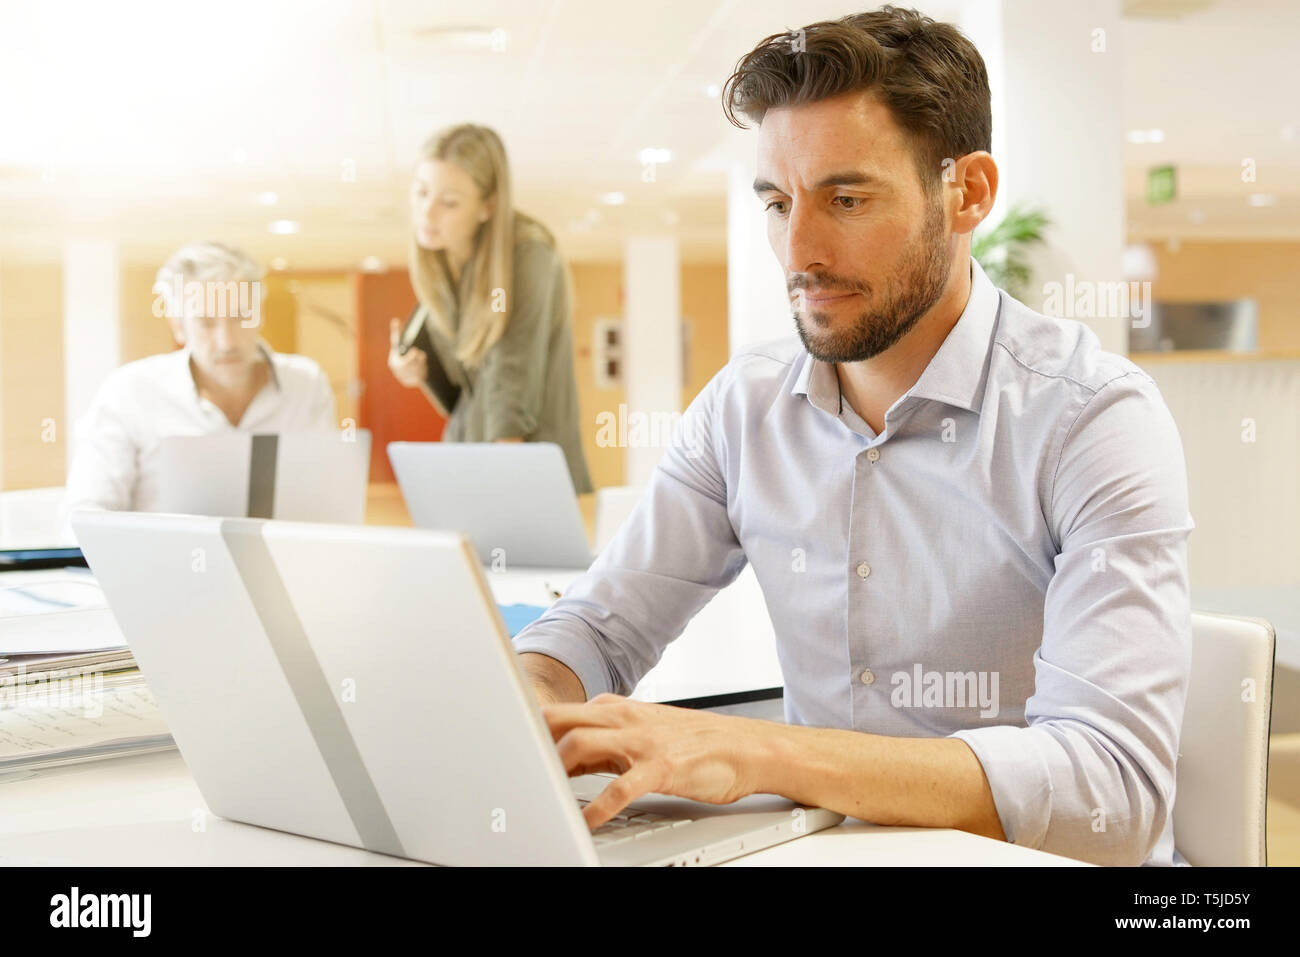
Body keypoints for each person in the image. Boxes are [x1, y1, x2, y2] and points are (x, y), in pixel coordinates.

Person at [512, 6, 1194, 868]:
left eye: (845, 198)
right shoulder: (741, 409)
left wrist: (761, 754)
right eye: (776, 201)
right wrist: (533, 698)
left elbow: (1113, 796)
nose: (798, 250)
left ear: (968, 193)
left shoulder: (1093, 419)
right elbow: (599, 631)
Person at [387, 123, 593, 494]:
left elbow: (510, 373)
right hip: (469, 460)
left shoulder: (528, 255)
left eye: (449, 202)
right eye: (421, 193)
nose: (428, 212)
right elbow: (462, 394)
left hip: (522, 466)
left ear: (488, 206)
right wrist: (414, 372)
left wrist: (503, 482)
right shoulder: (444, 264)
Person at [63, 241, 336, 516]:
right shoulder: (129, 391)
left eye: (240, 317)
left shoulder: (307, 385)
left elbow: (328, 501)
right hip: (162, 558)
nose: (227, 341)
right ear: (179, 326)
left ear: (260, 315)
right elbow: (87, 513)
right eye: (206, 323)